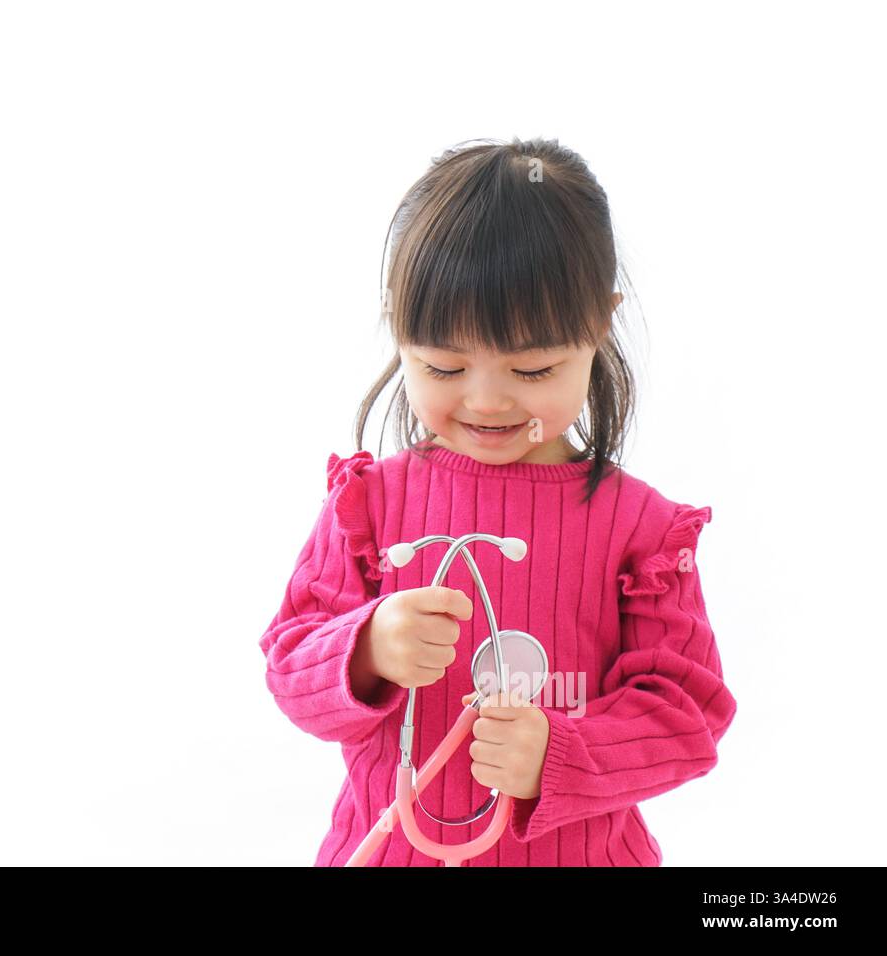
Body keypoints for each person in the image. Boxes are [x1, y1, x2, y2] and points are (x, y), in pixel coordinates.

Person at [257, 137, 738, 866]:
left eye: (534, 366)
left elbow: (687, 717)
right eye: (443, 365)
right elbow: (289, 661)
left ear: (600, 323)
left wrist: (563, 751)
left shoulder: (641, 531)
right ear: (397, 325)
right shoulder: (371, 503)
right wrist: (365, 647)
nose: (486, 401)